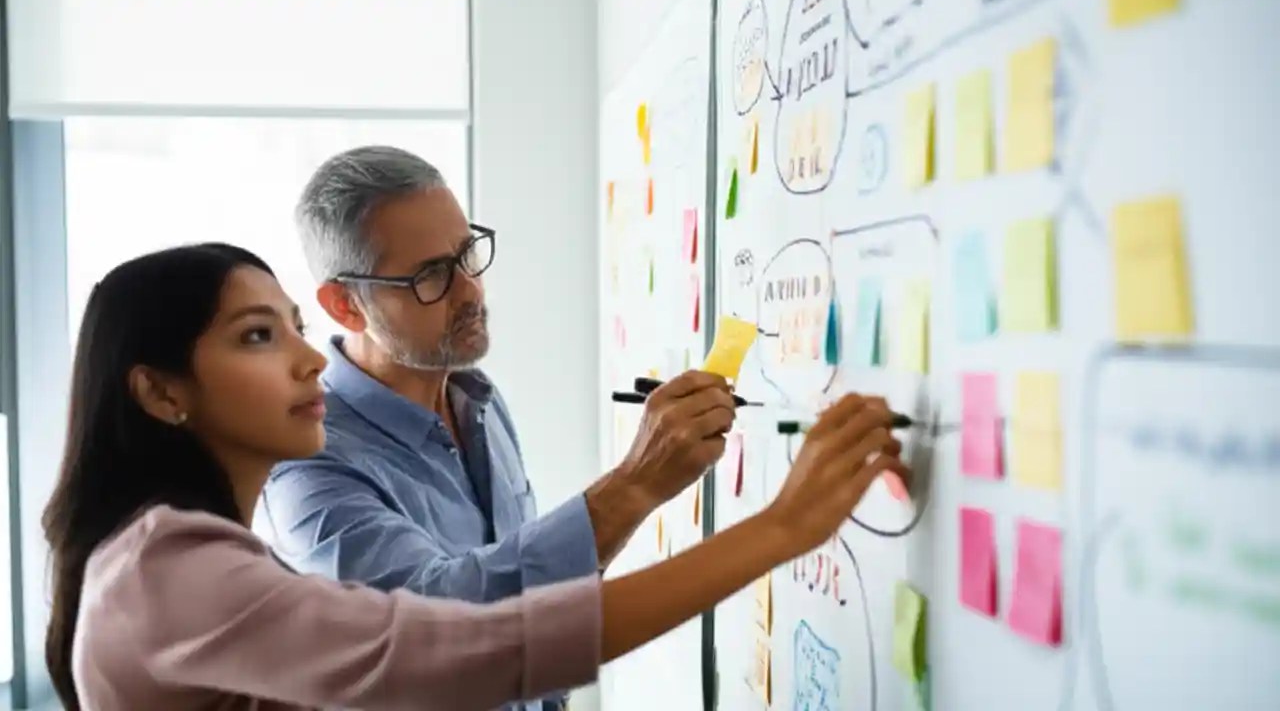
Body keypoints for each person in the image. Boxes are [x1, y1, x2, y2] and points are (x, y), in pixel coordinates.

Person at [44, 243, 906, 711]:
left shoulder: (184, 560)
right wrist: (779, 530)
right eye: (258, 337)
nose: (311, 361)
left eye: (295, 329)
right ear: (160, 391)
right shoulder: (172, 571)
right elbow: (458, 639)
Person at [256, 145, 756, 709]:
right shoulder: (303, 465)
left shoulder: (478, 402)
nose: (470, 290)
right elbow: (437, 629)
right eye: (432, 277)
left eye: (468, 254)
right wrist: (636, 484)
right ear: (346, 305)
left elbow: (534, 594)